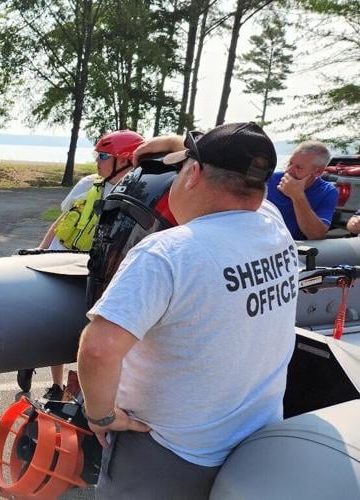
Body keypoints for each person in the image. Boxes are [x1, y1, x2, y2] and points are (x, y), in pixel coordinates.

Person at [77, 122, 297, 499]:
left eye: (182, 168)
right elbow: (236, 171)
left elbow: (98, 350)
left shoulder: (167, 253)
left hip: (168, 449)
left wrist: (101, 416)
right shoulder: (272, 225)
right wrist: (181, 144)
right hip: (253, 438)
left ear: (193, 174)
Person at [31, 130, 143, 401]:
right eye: (97, 155)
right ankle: (56, 386)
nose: (97, 161)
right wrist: (43, 249)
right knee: (55, 324)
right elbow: (63, 220)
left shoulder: (138, 191)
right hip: (65, 258)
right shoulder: (88, 184)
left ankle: (87, 391)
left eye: (104, 156)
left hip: (97, 270)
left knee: (93, 333)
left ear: (126, 160)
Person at [266, 141, 335, 240]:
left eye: (298, 167)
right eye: (290, 163)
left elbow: (316, 235)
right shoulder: (270, 180)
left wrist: (297, 196)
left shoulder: (327, 191)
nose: (289, 170)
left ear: (318, 172)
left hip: (295, 250)